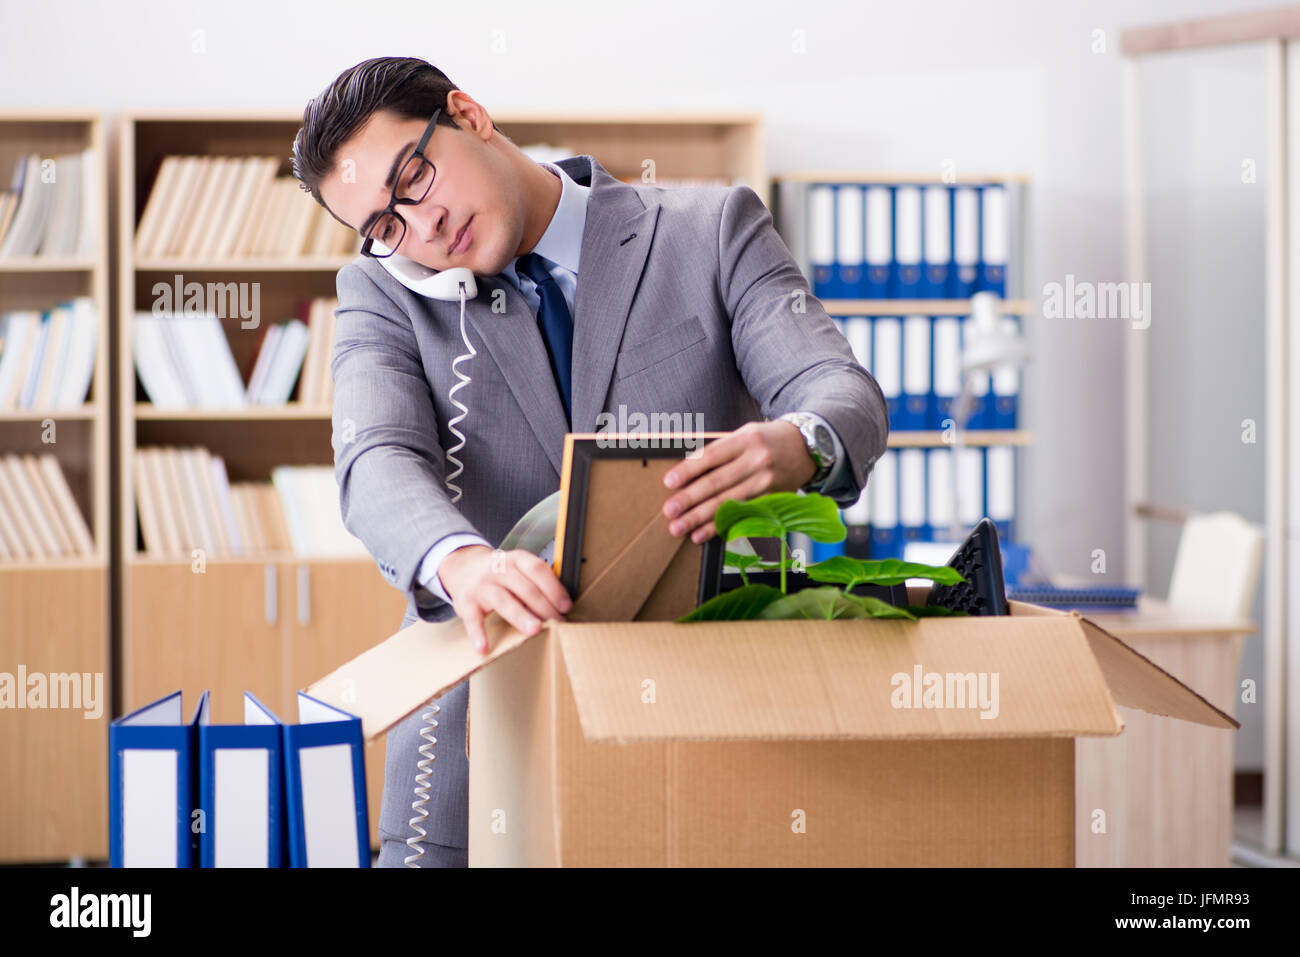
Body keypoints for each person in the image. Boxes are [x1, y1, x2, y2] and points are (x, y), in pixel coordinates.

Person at [291, 56, 889, 867]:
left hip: (699, 714)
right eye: (385, 225)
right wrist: (461, 561)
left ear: (468, 115)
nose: (420, 229)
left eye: (414, 178)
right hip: (482, 724)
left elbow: (835, 384)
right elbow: (376, 456)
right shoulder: (386, 293)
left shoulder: (708, 229)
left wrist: (799, 441)